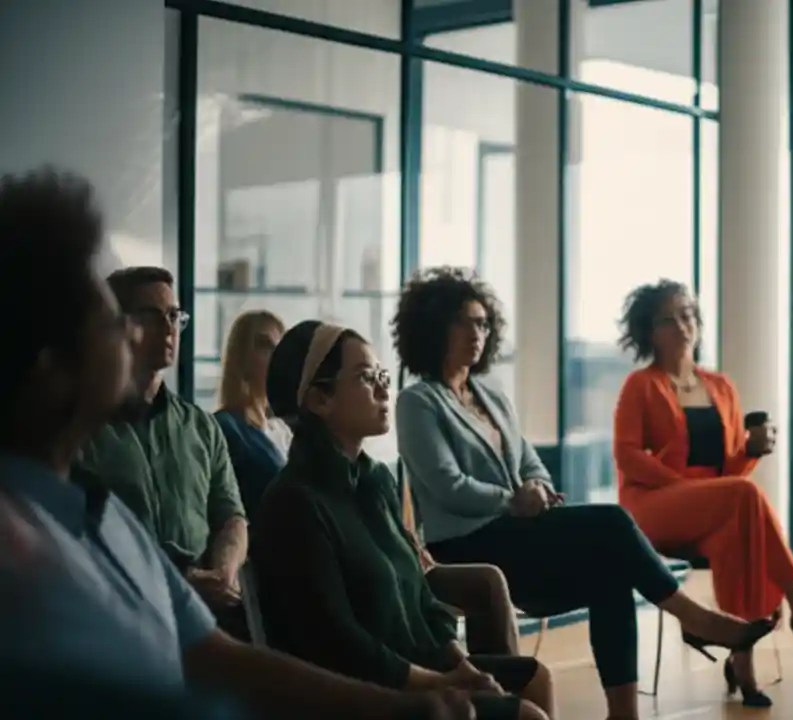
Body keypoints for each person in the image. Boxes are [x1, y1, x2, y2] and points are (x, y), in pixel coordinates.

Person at [0, 167, 473, 720]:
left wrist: (399, 708)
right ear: (50, 366)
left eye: (168, 317)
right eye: (111, 324)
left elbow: (218, 655)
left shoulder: (102, 516)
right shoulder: (18, 545)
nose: (135, 335)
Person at [393, 267, 775, 720]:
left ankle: (624, 714)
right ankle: (692, 617)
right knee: (612, 521)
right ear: (434, 327)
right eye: (463, 322)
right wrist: (512, 501)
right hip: (465, 544)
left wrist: (538, 488)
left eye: (483, 323)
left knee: (610, 574)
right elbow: (447, 486)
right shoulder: (418, 402)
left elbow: (530, 462)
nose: (476, 333)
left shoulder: (492, 398)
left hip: (517, 534)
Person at [254, 320, 552, 720]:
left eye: (382, 375)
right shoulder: (294, 502)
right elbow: (336, 644)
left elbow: (422, 599)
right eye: (366, 377)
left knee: (536, 679)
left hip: (420, 665)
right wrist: (438, 683)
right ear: (319, 399)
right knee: (527, 716)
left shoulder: (375, 481)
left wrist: (461, 666)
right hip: (366, 691)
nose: (383, 389)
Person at [613, 280, 793, 707]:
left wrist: (751, 450)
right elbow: (628, 456)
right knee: (743, 496)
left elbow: (729, 471)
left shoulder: (721, 386)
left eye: (687, 315)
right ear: (649, 332)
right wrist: (687, 487)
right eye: (668, 320)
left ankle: (742, 664)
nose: (682, 326)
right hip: (654, 504)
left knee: (736, 535)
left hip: (713, 504)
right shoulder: (641, 385)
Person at [77, 265, 249, 634]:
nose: (168, 328)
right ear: (120, 326)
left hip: (207, 617)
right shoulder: (83, 429)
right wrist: (179, 582)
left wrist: (223, 571)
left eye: (173, 316)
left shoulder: (201, 427)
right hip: (122, 617)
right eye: (152, 316)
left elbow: (232, 516)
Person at [214, 310, 291, 522]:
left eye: (280, 348)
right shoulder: (224, 428)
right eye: (265, 346)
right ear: (242, 358)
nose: (276, 357)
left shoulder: (283, 430)